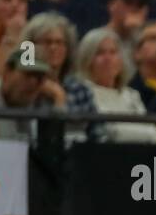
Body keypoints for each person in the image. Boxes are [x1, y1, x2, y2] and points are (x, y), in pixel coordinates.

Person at [20, 10, 101, 142]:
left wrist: (59, 97)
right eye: (47, 42)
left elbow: (96, 133)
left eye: (59, 42)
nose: (53, 47)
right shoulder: (22, 88)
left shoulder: (79, 89)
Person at [76, 26, 156, 143]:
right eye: (100, 53)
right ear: (87, 59)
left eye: (113, 52)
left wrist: (152, 134)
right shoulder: (83, 92)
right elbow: (111, 132)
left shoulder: (131, 94)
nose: (108, 58)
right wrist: (153, 135)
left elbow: (150, 128)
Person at [0, 48, 62, 142]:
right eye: (28, 74)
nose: (32, 83)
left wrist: (59, 99)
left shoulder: (42, 105)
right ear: (7, 72)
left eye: (39, 77)